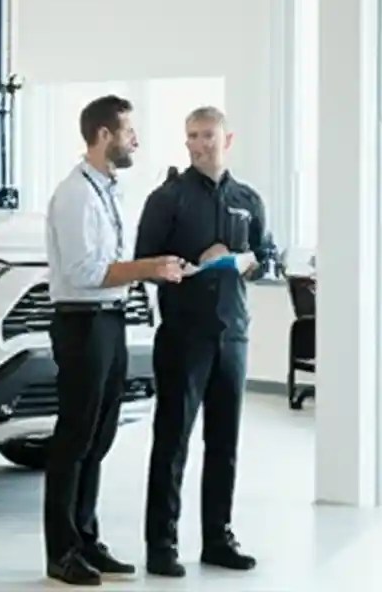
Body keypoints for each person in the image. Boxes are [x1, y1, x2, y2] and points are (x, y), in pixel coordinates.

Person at [42, 94, 187, 586]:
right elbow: (83, 271)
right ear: (104, 135)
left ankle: (85, 538)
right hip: (82, 322)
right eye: (128, 132)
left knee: (99, 436)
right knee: (75, 437)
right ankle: (61, 552)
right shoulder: (75, 195)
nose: (136, 141)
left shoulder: (108, 190)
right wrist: (148, 268)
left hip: (110, 319)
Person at [134, 105, 277, 578]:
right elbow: (144, 264)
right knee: (172, 441)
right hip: (182, 335)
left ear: (227, 139)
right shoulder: (167, 198)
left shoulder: (248, 199)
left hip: (232, 333)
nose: (198, 144)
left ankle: (218, 537)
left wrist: (243, 260)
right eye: (192, 136)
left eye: (207, 135)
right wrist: (194, 261)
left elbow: (268, 257)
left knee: (224, 442)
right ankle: (161, 544)